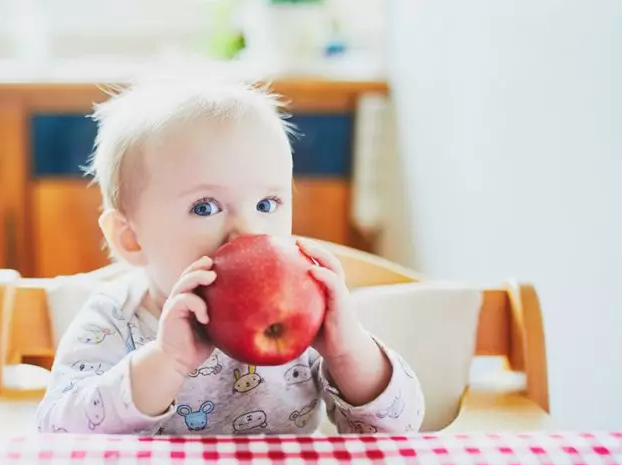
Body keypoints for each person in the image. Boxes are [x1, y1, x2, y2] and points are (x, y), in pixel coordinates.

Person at [35, 78, 424, 435]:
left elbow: (398, 429)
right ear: (132, 239)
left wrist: (348, 351)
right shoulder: (114, 321)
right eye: (205, 207)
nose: (249, 232)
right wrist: (163, 361)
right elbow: (57, 434)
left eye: (267, 203)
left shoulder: (310, 317)